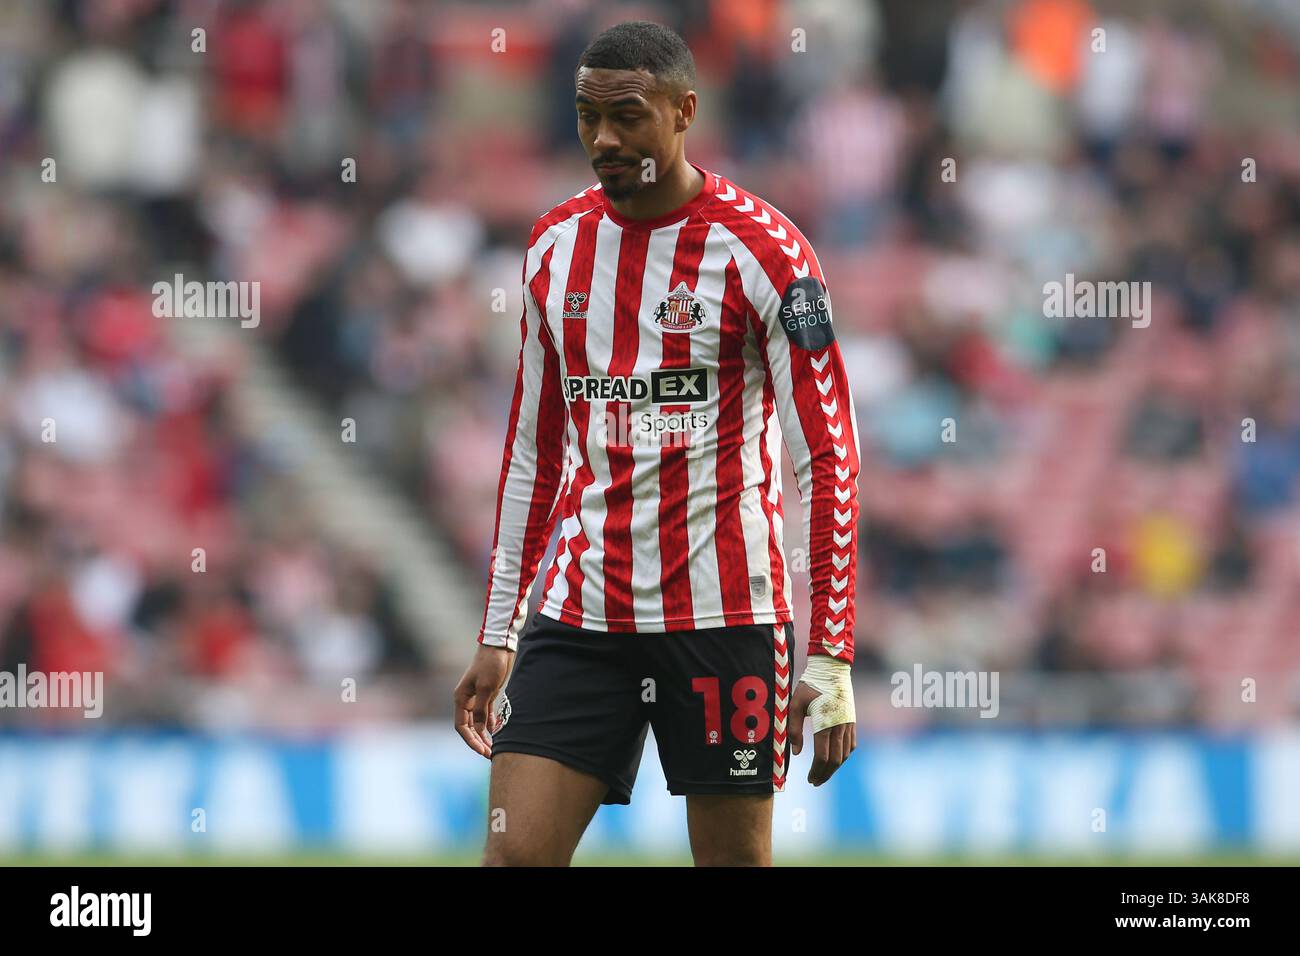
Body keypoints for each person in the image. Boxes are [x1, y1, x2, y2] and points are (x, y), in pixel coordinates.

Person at [452, 20, 860, 867]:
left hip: (725, 618)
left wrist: (830, 651)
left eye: (628, 116)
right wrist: (498, 631)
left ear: (685, 112)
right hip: (580, 616)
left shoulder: (768, 254)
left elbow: (826, 460)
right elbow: (532, 451)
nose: (604, 139)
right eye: (586, 116)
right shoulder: (552, 248)